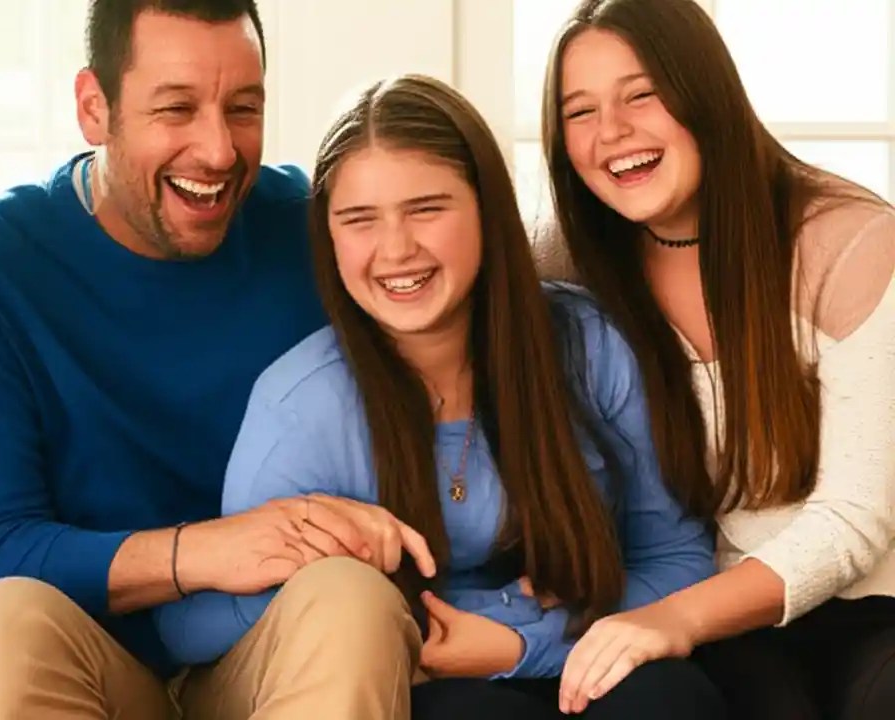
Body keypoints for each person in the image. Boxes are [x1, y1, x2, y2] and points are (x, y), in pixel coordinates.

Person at [0, 1, 438, 718]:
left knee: (352, 599)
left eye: (243, 108)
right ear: (93, 108)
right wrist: (206, 552)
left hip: (265, 653)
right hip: (89, 665)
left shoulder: (315, 229)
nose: (219, 150)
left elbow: (459, 351)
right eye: (176, 109)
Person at [153, 72, 722, 720]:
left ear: (487, 207)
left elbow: (676, 557)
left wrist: (514, 639)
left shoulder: (589, 346)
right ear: (329, 237)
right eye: (359, 220)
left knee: (669, 699)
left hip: (573, 642)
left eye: (426, 209)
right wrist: (326, 569)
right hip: (420, 680)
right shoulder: (302, 408)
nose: (396, 250)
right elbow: (191, 631)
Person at [534, 1, 895, 717]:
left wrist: (673, 620)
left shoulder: (848, 240)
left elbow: (854, 518)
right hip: (703, 610)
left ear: (705, 91)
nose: (613, 133)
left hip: (866, 604)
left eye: (641, 94)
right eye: (580, 111)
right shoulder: (563, 259)